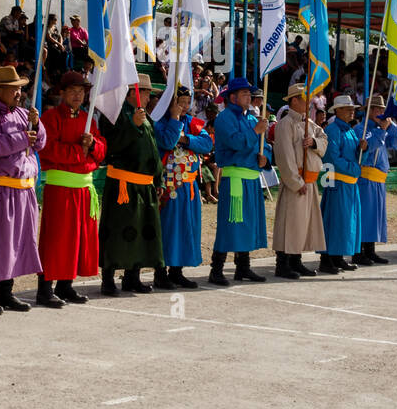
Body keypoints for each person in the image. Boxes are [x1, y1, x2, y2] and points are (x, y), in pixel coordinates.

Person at [0, 64, 46, 313]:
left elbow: (41, 143)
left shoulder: (25, 114)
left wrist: (37, 125)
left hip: (24, 189)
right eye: (13, 89)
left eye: (19, 89)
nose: (18, 93)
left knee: (17, 242)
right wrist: (23, 138)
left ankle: (6, 292)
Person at [38, 71, 106, 302]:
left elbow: (101, 152)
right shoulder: (51, 117)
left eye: (81, 91)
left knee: (78, 238)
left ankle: (65, 284)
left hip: (83, 188)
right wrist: (81, 152)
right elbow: (48, 150)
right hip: (60, 187)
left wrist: (93, 143)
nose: (78, 95)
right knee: (56, 238)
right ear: (63, 93)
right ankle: (45, 288)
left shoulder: (89, 120)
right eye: (73, 91)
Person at [98, 75, 164, 294]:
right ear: (131, 93)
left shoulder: (146, 118)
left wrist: (158, 178)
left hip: (145, 185)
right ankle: (108, 279)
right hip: (123, 185)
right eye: (144, 93)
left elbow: (153, 149)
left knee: (140, 233)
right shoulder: (114, 115)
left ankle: (132, 277)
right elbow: (112, 146)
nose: (147, 98)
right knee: (117, 231)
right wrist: (132, 126)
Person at [211, 77, 270, 284]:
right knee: (230, 223)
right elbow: (235, 142)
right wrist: (255, 132)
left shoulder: (253, 119)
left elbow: (265, 147)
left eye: (249, 93)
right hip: (235, 177)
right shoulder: (224, 118)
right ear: (232, 97)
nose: (249, 96)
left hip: (252, 178)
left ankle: (243, 267)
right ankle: (216, 269)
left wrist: (265, 159)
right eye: (244, 93)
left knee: (248, 224)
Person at [155, 84, 213, 287]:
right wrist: (174, 121)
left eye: (188, 102)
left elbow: (207, 144)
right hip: (169, 185)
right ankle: (160, 272)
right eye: (180, 103)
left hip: (189, 186)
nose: (185, 106)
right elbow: (168, 142)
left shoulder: (194, 123)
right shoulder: (160, 122)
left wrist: (185, 138)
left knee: (187, 227)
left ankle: (177, 270)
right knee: (169, 228)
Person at [271, 83, 326, 277]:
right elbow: (285, 156)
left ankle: (296, 260)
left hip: (309, 181)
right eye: (305, 100)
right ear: (294, 100)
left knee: (302, 224)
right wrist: (296, 182)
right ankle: (283, 262)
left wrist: (314, 143)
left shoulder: (310, 124)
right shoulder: (285, 125)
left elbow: (324, 141)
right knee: (290, 222)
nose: (309, 104)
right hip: (297, 182)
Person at [320, 94, 364, 273]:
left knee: (346, 222)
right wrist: (355, 169)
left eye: (352, 109)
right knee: (334, 221)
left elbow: (357, 157)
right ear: (337, 111)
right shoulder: (332, 130)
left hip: (349, 183)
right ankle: (326, 259)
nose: (352, 112)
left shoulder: (351, 131)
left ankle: (338, 257)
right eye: (348, 109)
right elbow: (332, 158)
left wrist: (364, 150)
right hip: (336, 181)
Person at [356, 95, 397, 265]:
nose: (381, 112)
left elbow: (394, 143)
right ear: (370, 110)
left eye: (383, 110)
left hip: (379, 178)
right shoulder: (362, 128)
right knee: (365, 216)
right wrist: (381, 130)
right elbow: (369, 146)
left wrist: (389, 125)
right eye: (378, 109)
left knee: (375, 217)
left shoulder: (384, 127)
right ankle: (358, 252)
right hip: (366, 177)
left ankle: (370, 250)